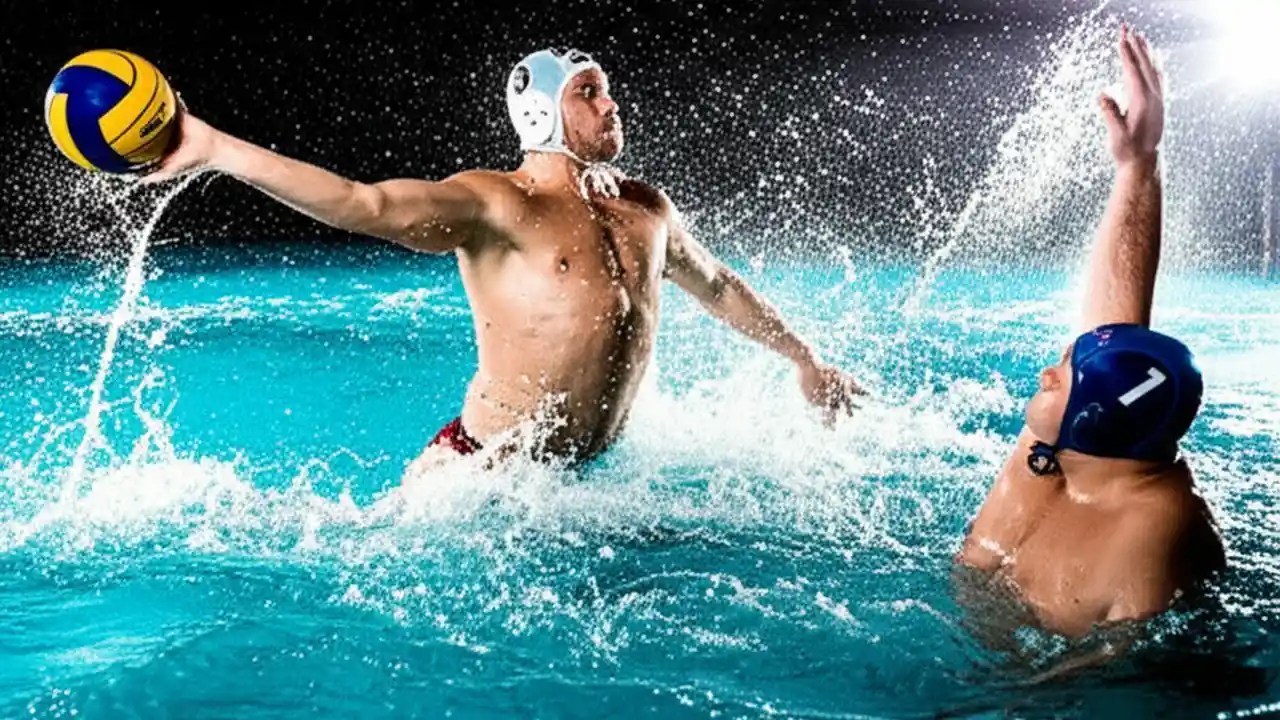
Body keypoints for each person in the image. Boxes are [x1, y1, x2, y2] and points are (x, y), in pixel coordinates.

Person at [140, 48, 865, 473]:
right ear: (543, 114)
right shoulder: (494, 205)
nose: (612, 104)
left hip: (592, 479)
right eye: (589, 92)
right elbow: (363, 205)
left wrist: (803, 360)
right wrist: (216, 151)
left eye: (607, 89)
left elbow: (719, 286)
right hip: (483, 476)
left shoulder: (646, 207)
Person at [955, 26, 1226, 644]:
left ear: (1096, 415)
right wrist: (1137, 166)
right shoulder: (1070, 449)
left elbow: (1114, 676)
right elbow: (1117, 329)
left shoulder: (1153, 532)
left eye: (1063, 375)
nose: (1048, 373)